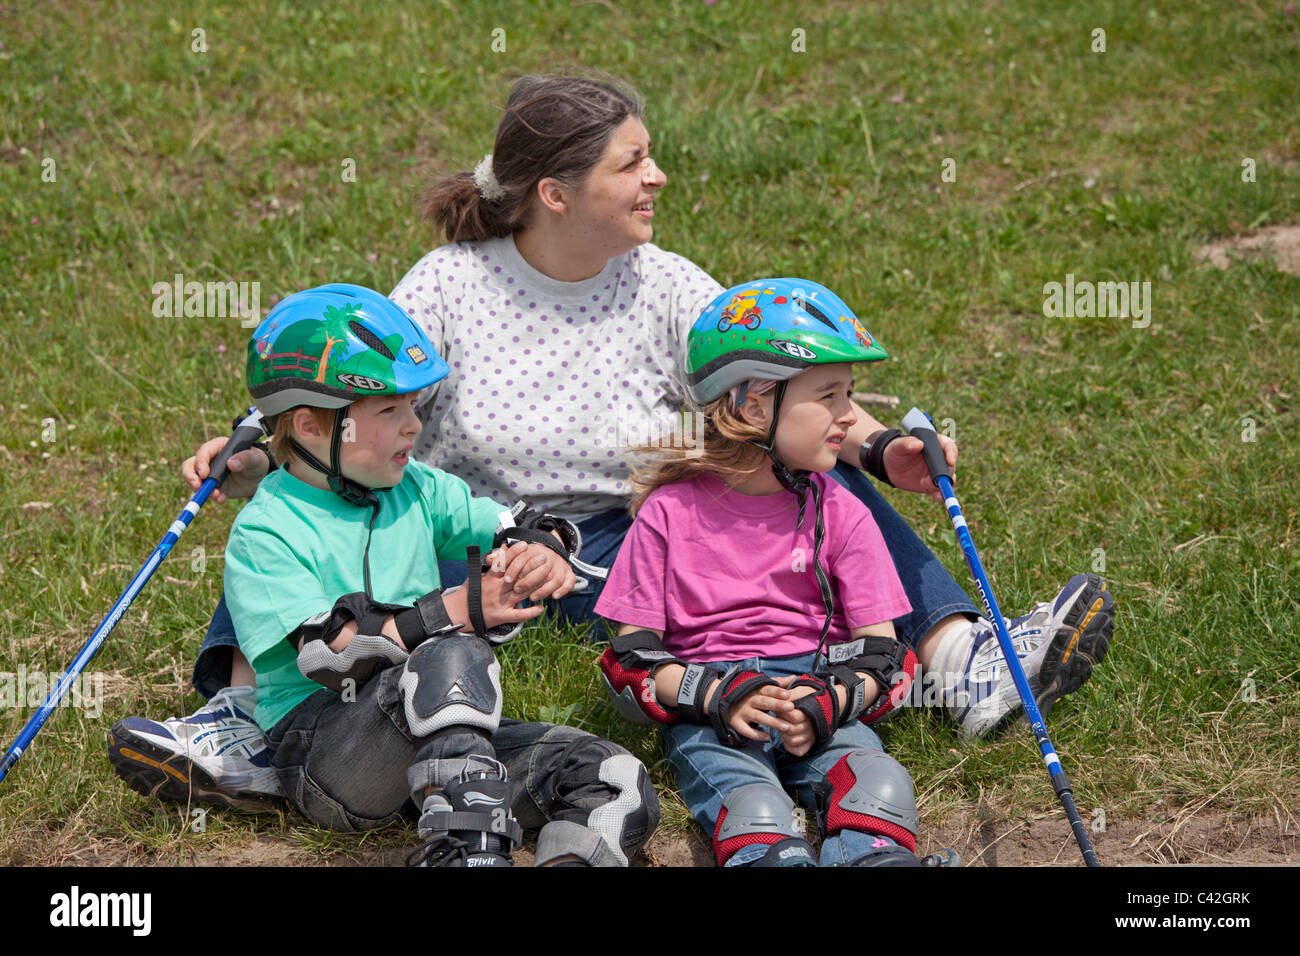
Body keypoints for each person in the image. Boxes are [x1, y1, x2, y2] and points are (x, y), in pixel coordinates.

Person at [107, 72, 1113, 813]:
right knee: (318, 513)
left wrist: (878, 443)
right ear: (555, 191)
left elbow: (773, 395)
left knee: (814, 490)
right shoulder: (453, 283)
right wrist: (263, 447)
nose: (657, 176)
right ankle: (241, 719)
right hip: (475, 540)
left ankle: (958, 659)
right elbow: (356, 399)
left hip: (639, 541)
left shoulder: (670, 282)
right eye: (632, 161)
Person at [113, 283, 657, 866]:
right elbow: (334, 655)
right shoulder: (264, 530)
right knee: (451, 653)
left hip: (438, 738)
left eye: (414, 407)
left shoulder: (418, 488)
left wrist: (540, 549)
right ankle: (467, 850)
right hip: (327, 751)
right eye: (389, 411)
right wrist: (457, 610)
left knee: (612, 775)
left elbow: (513, 522)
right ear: (311, 426)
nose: (413, 427)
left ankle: (535, 844)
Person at [598, 277, 958, 866]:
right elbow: (631, 661)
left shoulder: (843, 511)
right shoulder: (667, 513)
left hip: (818, 696)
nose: (848, 418)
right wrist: (717, 696)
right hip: (717, 712)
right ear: (753, 402)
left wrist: (836, 702)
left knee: (878, 787)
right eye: (830, 396)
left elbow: (887, 657)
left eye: (848, 394)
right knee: (756, 810)